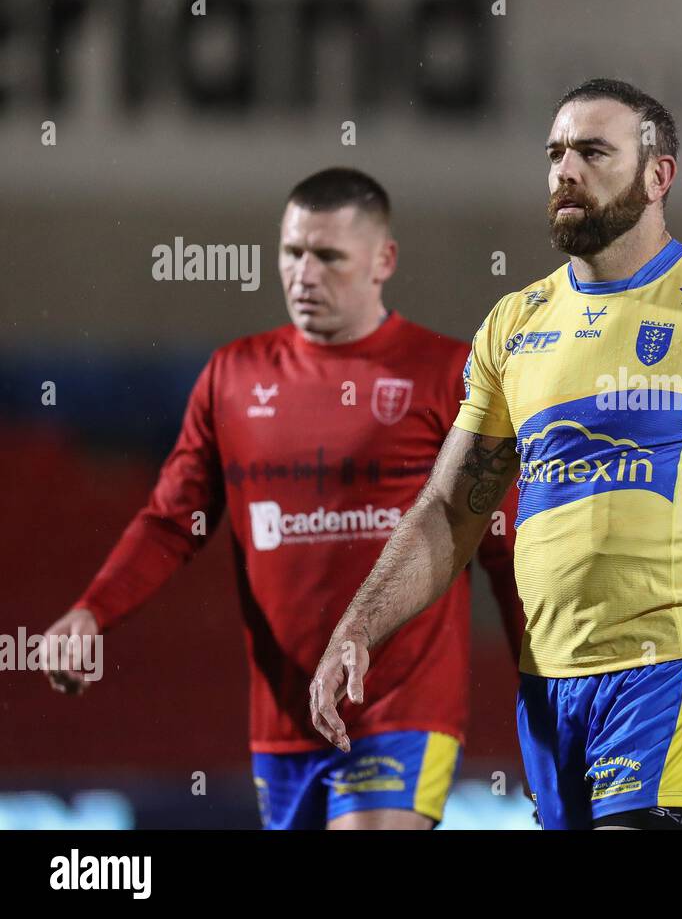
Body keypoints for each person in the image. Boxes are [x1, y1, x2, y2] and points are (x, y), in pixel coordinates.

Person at [310, 79, 682, 830]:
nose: (565, 170)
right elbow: (450, 509)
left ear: (658, 175)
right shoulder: (516, 323)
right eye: (556, 152)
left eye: (593, 152)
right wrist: (356, 628)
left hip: (674, 664)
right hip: (550, 683)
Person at [42, 168, 523, 830]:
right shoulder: (233, 377)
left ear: (383, 260)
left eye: (328, 256)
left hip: (401, 711)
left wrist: (546, 695)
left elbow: (504, 547)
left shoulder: (448, 375)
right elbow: (173, 523)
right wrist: (93, 613)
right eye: (292, 253)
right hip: (282, 725)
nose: (304, 273)